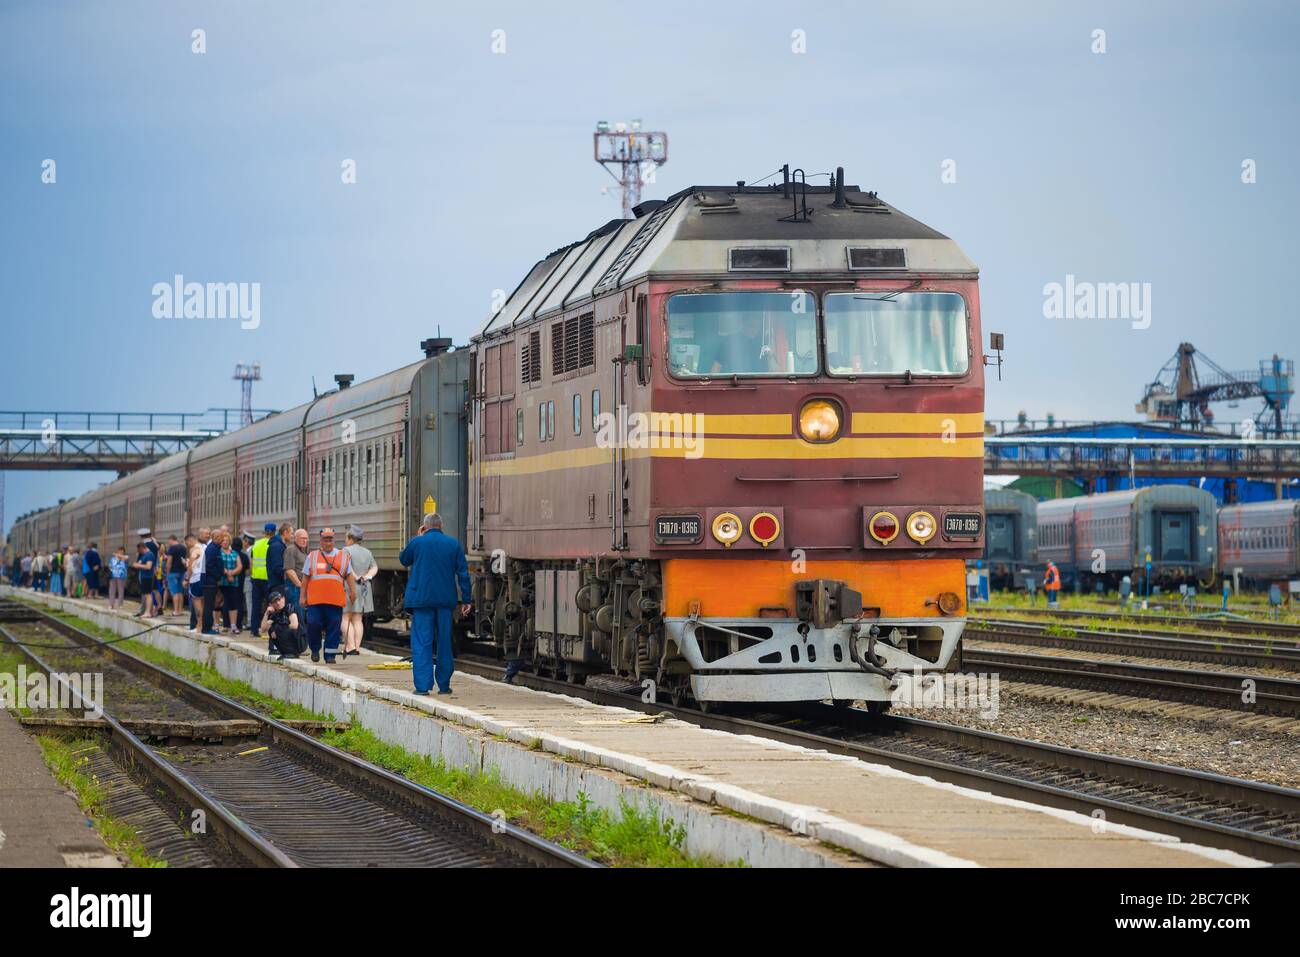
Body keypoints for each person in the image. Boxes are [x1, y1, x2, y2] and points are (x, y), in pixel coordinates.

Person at [399, 513, 471, 696]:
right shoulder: (453, 544)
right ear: (441, 526)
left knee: (422, 642)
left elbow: (404, 559)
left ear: (425, 527)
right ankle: (444, 686)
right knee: (444, 642)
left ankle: (423, 687)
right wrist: (467, 599)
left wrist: (418, 536)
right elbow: (463, 574)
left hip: (422, 601)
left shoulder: (418, 542)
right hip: (445, 602)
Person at [301, 527, 357, 664]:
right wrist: (302, 596)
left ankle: (330, 655)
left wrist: (353, 591)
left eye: (330, 540)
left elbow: (349, 575)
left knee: (334, 627)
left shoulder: (343, 557)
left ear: (334, 540)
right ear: (321, 541)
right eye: (325, 540)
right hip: (315, 600)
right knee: (313, 624)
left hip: (335, 600)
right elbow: (305, 578)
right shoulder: (312, 556)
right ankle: (315, 649)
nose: (328, 542)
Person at [341, 525, 377, 656]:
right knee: (357, 619)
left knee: (345, 618)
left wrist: (355, 577)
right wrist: (366, 577)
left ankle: (349, 646)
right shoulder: (367, 552)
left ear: (350, 538)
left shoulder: (346, 550)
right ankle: (357, 647)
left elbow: (346, 567)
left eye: (346, 537)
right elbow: (374, 567)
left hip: (350, 587)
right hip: (364, 586)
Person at [248, 522, 276, 638]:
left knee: (256, 605)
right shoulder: (272, 544)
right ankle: (270, 630)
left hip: (256, 578)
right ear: (274, 532)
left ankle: (254, 630)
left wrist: (252, 574)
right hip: (267, 579)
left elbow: (252, 561)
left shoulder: (256, 544)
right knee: (272, 605)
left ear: (264, 532)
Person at [259, 588, 303, 659]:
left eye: (279, 600)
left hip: (300, 640)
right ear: (271, 604)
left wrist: (278, 629)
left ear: (283, 599)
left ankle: (292, 653)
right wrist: (266, 614)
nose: (278, 603)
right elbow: (263, 629)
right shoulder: (274, 613)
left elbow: (295, 625)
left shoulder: (289, 607)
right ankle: (284, 652)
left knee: (277, 628)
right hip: (289, 642)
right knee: (271, 629)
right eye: (274, 602)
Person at [218, 531, 244, 633]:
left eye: (227, 540)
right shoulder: (219, 553)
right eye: (223, 540)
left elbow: (240, 566)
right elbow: (219, 566)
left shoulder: (234, 553)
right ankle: (224, 624)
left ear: (230, 542)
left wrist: (232, 573)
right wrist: (228, 574)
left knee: (233, 602)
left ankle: (233, 625)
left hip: (233, 582)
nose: (225, 542)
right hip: (222, 582)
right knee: (223, 603)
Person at [200, 528, 222, 635]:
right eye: (220, 537)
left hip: (210, 580)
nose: (222, 539)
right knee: (209, 606)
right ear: (215, 538)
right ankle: (206, 628)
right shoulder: (212, 549)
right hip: (209, 581)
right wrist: (218, 575)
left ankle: (207, 627)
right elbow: (209, 565)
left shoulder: (215, 548)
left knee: (210, 605)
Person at [284, 527, 309, 618]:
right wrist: (300, 585)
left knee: (302, 613)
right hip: (293, 587)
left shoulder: (303, 552)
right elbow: (289, 570)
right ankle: (297, 632)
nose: (305, 541)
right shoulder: (291, 549)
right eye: (302, 538)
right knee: (296, 613)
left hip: (300, 587)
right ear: (296, 538)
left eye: (306, 538)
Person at [130, 542, 157, 616]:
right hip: (144, 577)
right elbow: (137, 564)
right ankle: (149, 611)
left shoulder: (149, 555)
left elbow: (148, 566)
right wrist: (137, 559)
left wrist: (138, 565)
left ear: (142, 548)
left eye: (139, 550)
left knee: (148, 595)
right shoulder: (144, 555)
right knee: (146, 595)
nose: (139, 552)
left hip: (148, 577)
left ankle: (148, 612)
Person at [165, 535, 188, 615]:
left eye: (168, 541)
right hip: (182, 572)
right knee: (180, 592)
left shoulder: (172, 548)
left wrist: (167, 573)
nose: (168, 543)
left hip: (173, 573)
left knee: (175, 592)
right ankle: (180, 610)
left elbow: (169, 562)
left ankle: (175, 611)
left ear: (171, 539)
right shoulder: (183, 547)